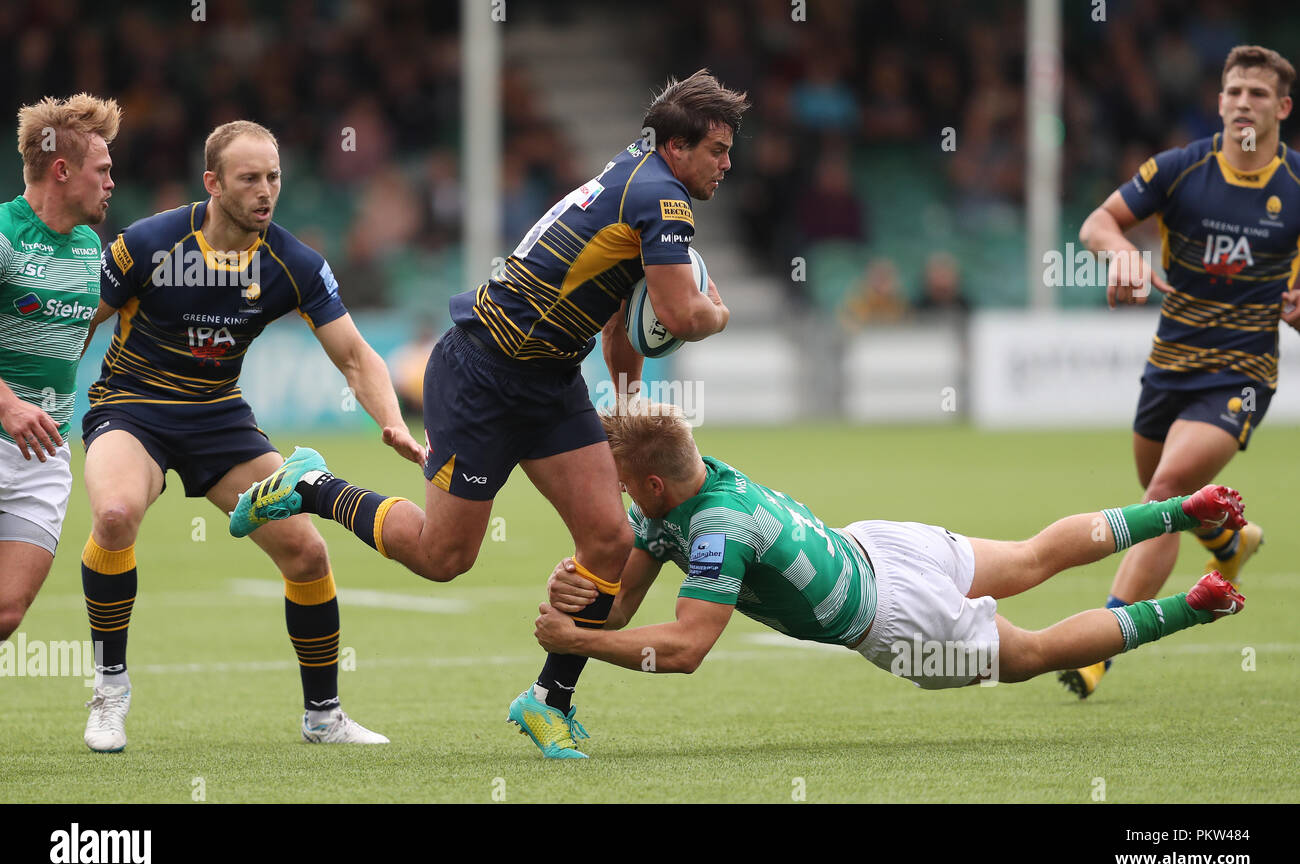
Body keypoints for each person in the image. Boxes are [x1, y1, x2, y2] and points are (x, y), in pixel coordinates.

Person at [230, 71, 749, 758]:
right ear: (678, 148)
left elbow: (621, 324)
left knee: (609, 540)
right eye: (717, 148)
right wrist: (717, 311)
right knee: (445, 556)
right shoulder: (662, 196)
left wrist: (623, 409)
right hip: (482, 372)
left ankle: (548, 701)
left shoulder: (636, 178)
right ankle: (311, 485)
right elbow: (682, 314)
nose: (727, 162)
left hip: (550, 377)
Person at [530, 401, 1247, 739]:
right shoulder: (693, 483)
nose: (613, 490)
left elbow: (685, 651)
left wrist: (580, 640)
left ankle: (1196, 603)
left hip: (893, 619)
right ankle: (1188, 508)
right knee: (1033, 555)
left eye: (620, 479)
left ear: (652, 486)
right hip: (880, 544)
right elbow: (621, 607)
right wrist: (584, 594)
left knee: (1028, 654)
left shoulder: (715, 527)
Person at [80, 120, 425, 752]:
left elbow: (354, 355)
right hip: (132, 408)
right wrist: (24, 395)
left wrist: (392, 421)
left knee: (308, 554)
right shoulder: (149, 243)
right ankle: (109, 689)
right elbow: (78, 326)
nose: (266, 191)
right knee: (114, 513)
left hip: (218, 418)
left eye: (274, 178)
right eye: (249, 179)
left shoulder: (293, 262)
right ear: (212, 183)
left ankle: (323, 715)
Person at [1064, 44, 1299, 698]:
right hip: (1168, 367)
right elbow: (1098, 222)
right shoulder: (1180, 168)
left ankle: (1100, 646)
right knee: (1167, 505)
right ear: (1219, 100)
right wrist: (1119, 256)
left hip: (1241, 374)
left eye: (1256, 93)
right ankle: (1228, 537)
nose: (1242, 103)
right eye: (1233, 92)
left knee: (1163, 492)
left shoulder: (1297, 189)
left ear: (1281, 108)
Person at [0, 94, 119, 643]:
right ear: (62, 169)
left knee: (7, 613)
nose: (111, 182)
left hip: (41, 457)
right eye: (103, 170)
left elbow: (83, 329)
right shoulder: (4, 234)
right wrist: (8, 403)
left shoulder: (91, 249)